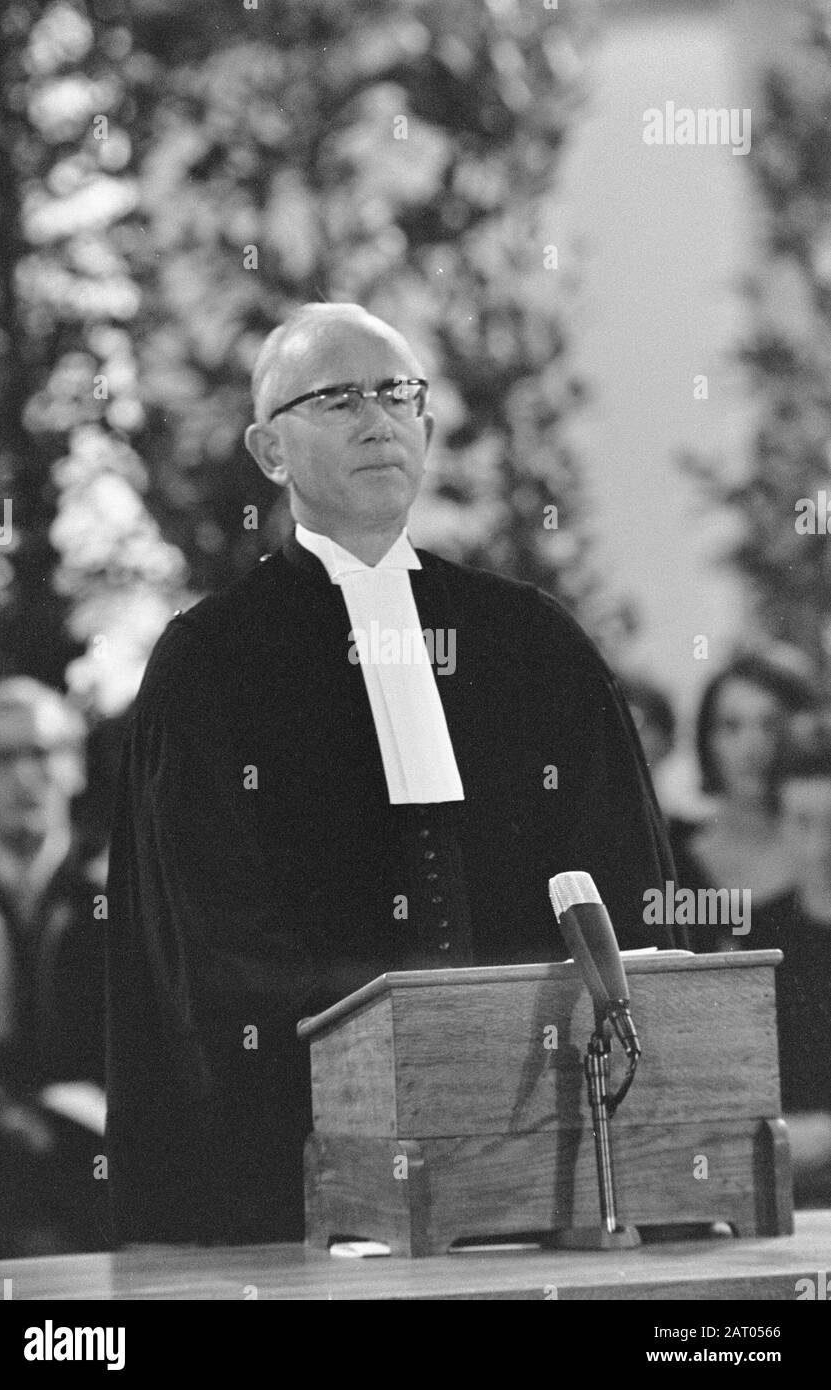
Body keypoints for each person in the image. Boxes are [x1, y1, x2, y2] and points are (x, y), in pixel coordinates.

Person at [106, 301, 677, 1247]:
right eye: (335, 398)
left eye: (397, 393)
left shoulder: (530, 640)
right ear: (268, 451)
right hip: (306, 1169)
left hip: (549, 1148)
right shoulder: (212, 662)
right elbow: (209, 942)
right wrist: (387, 1071)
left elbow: (624, 883)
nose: (376, 417)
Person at [0, 679, 107, 1256]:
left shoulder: (121, 893)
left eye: (43, 753)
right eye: (2, 758)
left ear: (75, 766)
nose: (24, 776)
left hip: (98, 1190)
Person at [737, 744, 831, 1205]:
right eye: (803, 822)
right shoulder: (755, 941)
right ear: (779, 826)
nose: (822, 847)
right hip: (784, 1183)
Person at [669, 652, 816, 942]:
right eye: (731, 726)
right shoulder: (673, 857)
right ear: (706, 740)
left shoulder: (819, 856)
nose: (752, 747)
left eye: (770, 725)